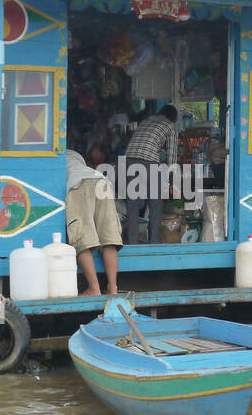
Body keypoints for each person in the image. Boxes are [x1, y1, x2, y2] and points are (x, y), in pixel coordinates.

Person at [65, 149, 120, 296]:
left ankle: (94, 289)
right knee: (109, 238)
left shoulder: (54, 155)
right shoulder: (76, 155)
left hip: (78, 183)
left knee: (82, 238)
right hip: (101, 181)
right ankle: (113, 288)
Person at [123, 104, 177, 245]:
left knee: (133, 205)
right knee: (155, 204)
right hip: (148, 162)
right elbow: (172, 159)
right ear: (173, 118)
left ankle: (133, 244)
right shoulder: (170, 126)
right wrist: (171, 183)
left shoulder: (146, 121)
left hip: (129, 160)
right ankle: (154, 244)